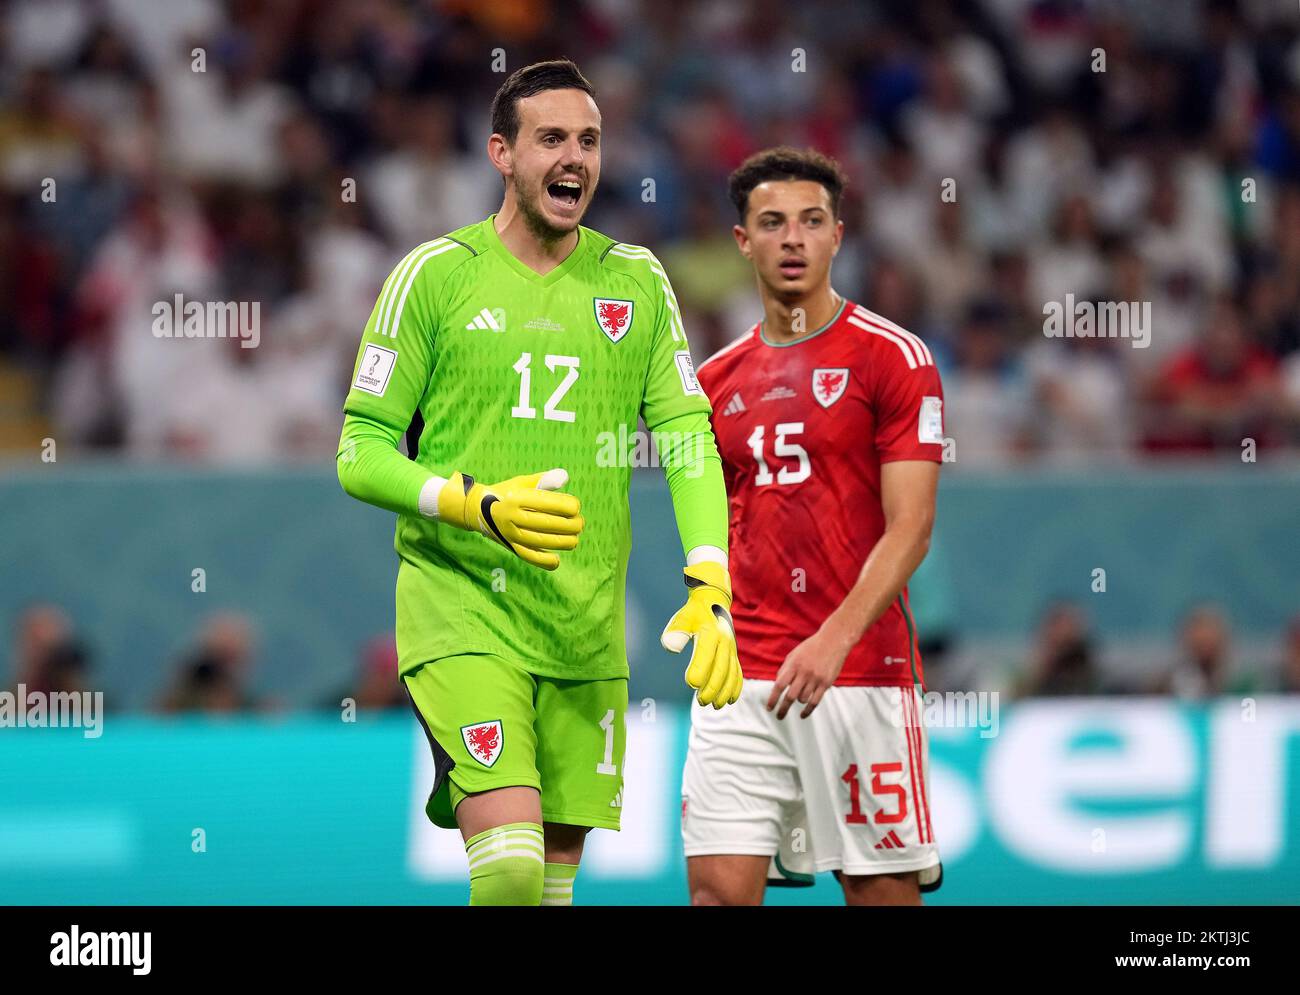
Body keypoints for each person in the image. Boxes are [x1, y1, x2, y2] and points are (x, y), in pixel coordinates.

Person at [335, 60, 740, 907]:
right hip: (462, 608)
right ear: (501, 154)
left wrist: (710, 579)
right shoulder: (435, 277)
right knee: (512, 866)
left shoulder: (636, 281)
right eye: (551, 138)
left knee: (549, 893)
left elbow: (686, 435)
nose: (576, 157)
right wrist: (476, 504)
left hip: (585, 626)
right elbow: (361, 451)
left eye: (589, 140)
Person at [684, 147, 943, 905]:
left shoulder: (894, 358)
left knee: (879, 894)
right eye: (772, 223)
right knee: (714, 897)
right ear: (743, 242)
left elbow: (913, 526)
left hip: (858, 673)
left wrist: (831, 639)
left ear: (837, 235)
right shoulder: (714, 380)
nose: (792, 238)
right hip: (740, 678)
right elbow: (718, 525)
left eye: (810, 221)